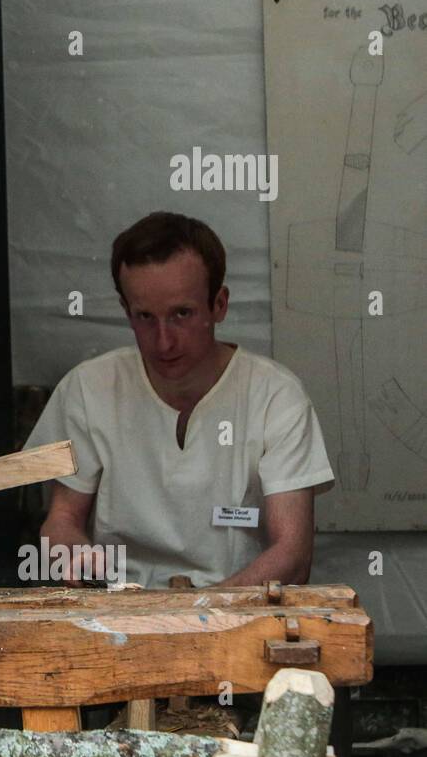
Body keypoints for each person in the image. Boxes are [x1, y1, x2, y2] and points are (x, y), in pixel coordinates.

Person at [24, 212, 334, 589]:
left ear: (219, 305)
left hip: (235, 614)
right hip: (121, 610)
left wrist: (197, 615)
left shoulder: (275, 397)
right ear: (126, 310)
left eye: (181, 314)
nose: (163, 341)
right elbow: (61, 519)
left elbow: (293, 555)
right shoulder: (89, 389)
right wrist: (72, 555)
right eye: (145, 317)